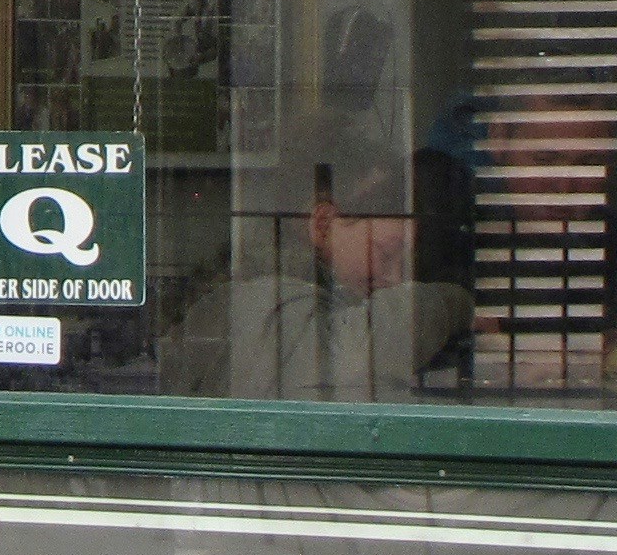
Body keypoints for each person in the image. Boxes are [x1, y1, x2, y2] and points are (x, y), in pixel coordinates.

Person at [168, 145, 475, 399]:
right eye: (386, 253)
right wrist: (455, 301)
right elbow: (350, 358)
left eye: (406, 267)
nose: (395, 279)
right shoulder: (266, 287)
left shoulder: (295, 282)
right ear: (324, 223)